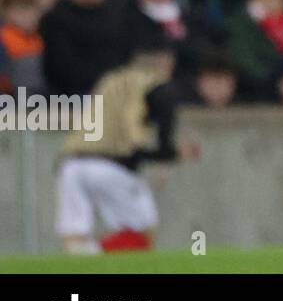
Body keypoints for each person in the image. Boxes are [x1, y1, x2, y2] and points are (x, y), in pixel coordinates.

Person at [55, 38, 198, 252]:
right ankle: (95, 254)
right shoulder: (157, 85)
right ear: (165, 61)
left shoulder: (110, 80)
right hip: (110, 165)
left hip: (72, 163)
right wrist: (175, 153)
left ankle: (82, 261)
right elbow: (153, 146)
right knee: (141, 233)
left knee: (75, 234)